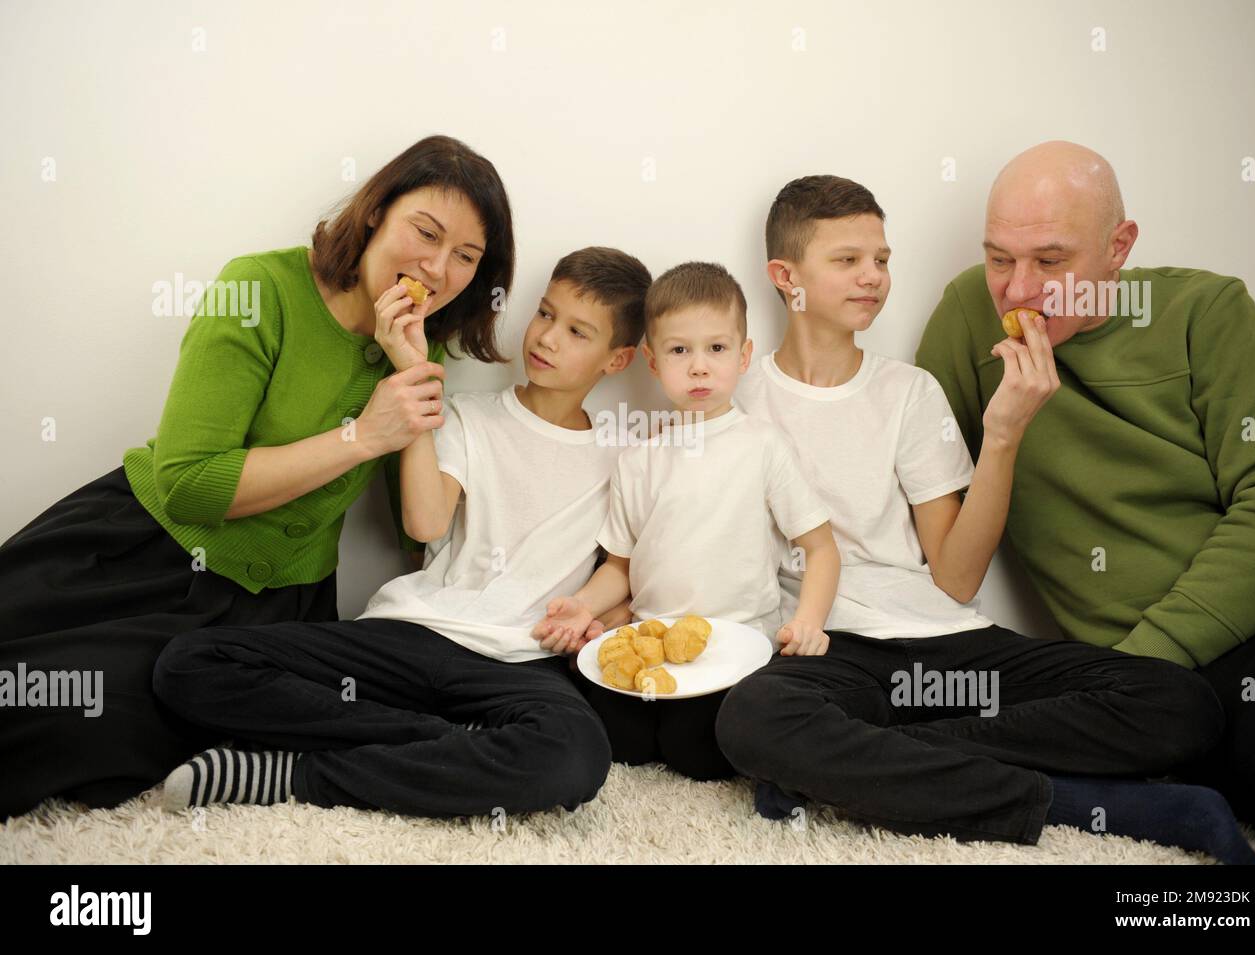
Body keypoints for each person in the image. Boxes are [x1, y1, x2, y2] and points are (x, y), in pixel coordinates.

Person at [714, 174, 1255, 864]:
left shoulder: (910, 392)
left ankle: (865, 763)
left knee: (1181, 702)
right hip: (828, 653)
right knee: (750, 718)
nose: (873, 277)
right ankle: (1107, 805)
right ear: (784, 276)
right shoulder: (735, 398)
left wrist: (1002, 434)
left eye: (881, 259)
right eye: (847, 260)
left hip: (945, 652)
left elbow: (956, 576)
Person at [0, 135, 515, 820]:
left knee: (99, 722)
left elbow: (421, 526)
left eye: (466, 258)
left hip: (271, 610)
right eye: (426, 232)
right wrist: (360, 436)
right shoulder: (260, 288)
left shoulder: (419, 342)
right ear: (374, 214)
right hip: (142, 553)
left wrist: (407, 370)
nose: (437, 267)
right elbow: (190, 484)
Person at [151, 248, 650, 818]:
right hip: (411, 635)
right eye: (544, 313)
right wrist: (411, 371)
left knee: (576, 755)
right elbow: (424, 522)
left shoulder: (624, 456)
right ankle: (444, 741)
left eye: (577, 331)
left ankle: (298, 775)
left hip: (519, 659)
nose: (547, 337)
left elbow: (622, 565)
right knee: (189, 664)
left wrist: (594, 612)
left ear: (618, 360)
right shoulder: (466, 415)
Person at [914, 140, 1255, 849]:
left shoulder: (1204, 310)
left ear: (1118, 247)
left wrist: (1142, 664)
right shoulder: (968, 313)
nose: (1019, 289)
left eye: (1051, 261)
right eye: (1000, 258)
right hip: (1149, 684)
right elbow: (919, 500)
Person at [534, 261, 840, 782]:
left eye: (716, 349)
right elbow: (620, 565)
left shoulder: (761, 446)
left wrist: (809, 622)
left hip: (737, 649)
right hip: (655, 643)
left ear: (743, 356)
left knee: (696, 753)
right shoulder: (639, 460)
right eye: (680, 351)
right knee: (616, 739)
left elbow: (822, 548)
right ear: (652, 363)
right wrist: (580, 606)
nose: (699, 367)